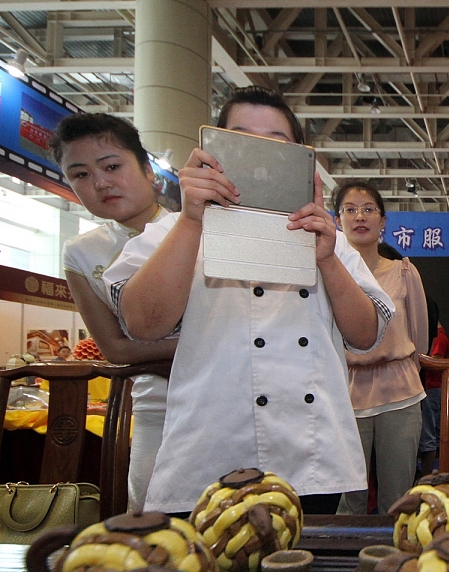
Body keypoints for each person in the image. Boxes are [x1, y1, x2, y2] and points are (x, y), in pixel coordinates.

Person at [105, 86, 394, 515]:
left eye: (275, 143)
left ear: (298, 155)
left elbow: (367, 334)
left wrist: (328, 259)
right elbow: (143, 323)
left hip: (309, 453)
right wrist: (190, 220)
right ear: (213, 149)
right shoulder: (176, 230)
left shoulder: (325, 235)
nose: (258, 153)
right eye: (240, 138)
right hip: (209, 448)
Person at [52, 112, 177, 512]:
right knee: (152, 526)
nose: (101, 182)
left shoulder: (193, 229)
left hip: (233, 401)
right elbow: (115, 349)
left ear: (147, 170)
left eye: (111, 166)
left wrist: (159, 348)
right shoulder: (80, 252)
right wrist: (202, 346)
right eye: (81, 175)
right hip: (155, 407)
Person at [333, 181, 428, 514]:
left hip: (400, 392)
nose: (360, 216)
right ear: (337, 220)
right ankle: (343, 564)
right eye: (350, 209)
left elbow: (420, 338)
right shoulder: (329, 275)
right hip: (345, 396)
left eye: (369, 209)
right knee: (349, 498)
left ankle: (398, 564)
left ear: (383, 221)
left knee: (398, 498)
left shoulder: (404, 272)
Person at [419, 316, 449, 476]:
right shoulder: (440, 335)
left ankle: (426, 476)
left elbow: (436, 363)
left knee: (428, 435)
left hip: (431, 389)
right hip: (431, 389)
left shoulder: (438, 337)